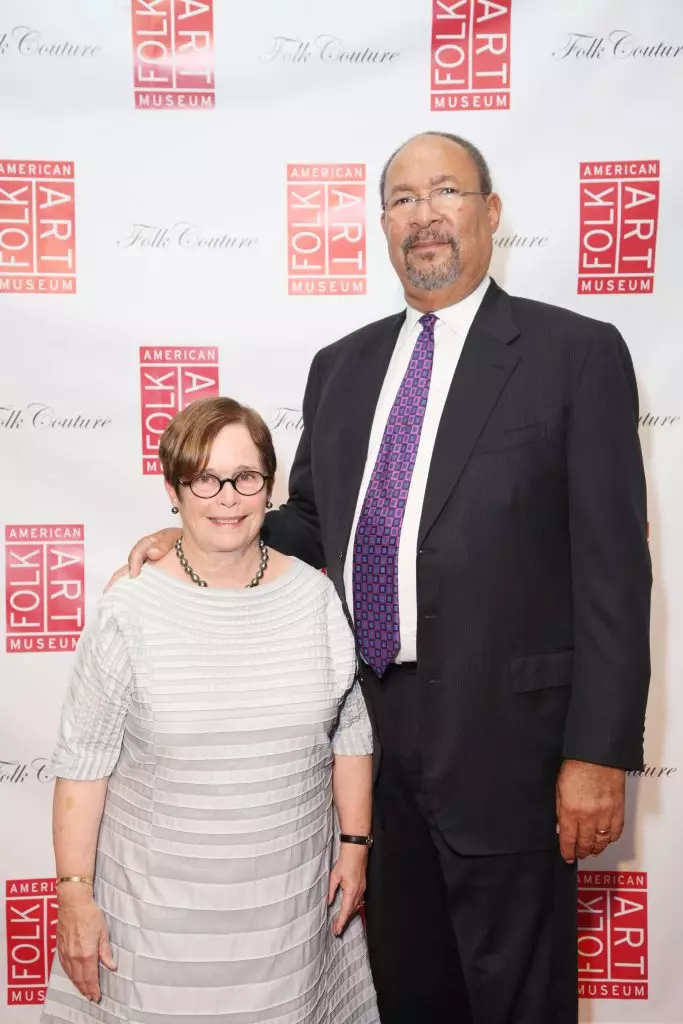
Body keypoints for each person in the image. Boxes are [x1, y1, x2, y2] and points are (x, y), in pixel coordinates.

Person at [124, 133, 652, 1024]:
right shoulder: (343, 365)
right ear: (382, 226)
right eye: (403, 199)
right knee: (407, 992)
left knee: (517, 999)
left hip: (512, 749)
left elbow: (613, 568)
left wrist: (597, 753)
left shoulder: (576, 354)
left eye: (446, 191)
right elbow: (316, 522)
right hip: (365, 741)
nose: (424, 214)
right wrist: (197, 532)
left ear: (489, 215)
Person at [43, 397, 379, 1024]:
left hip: (292, 920)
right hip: (152, 928)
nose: (227, 496)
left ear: (268, 485)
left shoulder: (314, 598)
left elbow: (351, 734)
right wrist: (75, 898)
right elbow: (82, 767)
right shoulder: (131, 607)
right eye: (205, 478)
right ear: (175, 489)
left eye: (245, 477)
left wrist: (356, 847)